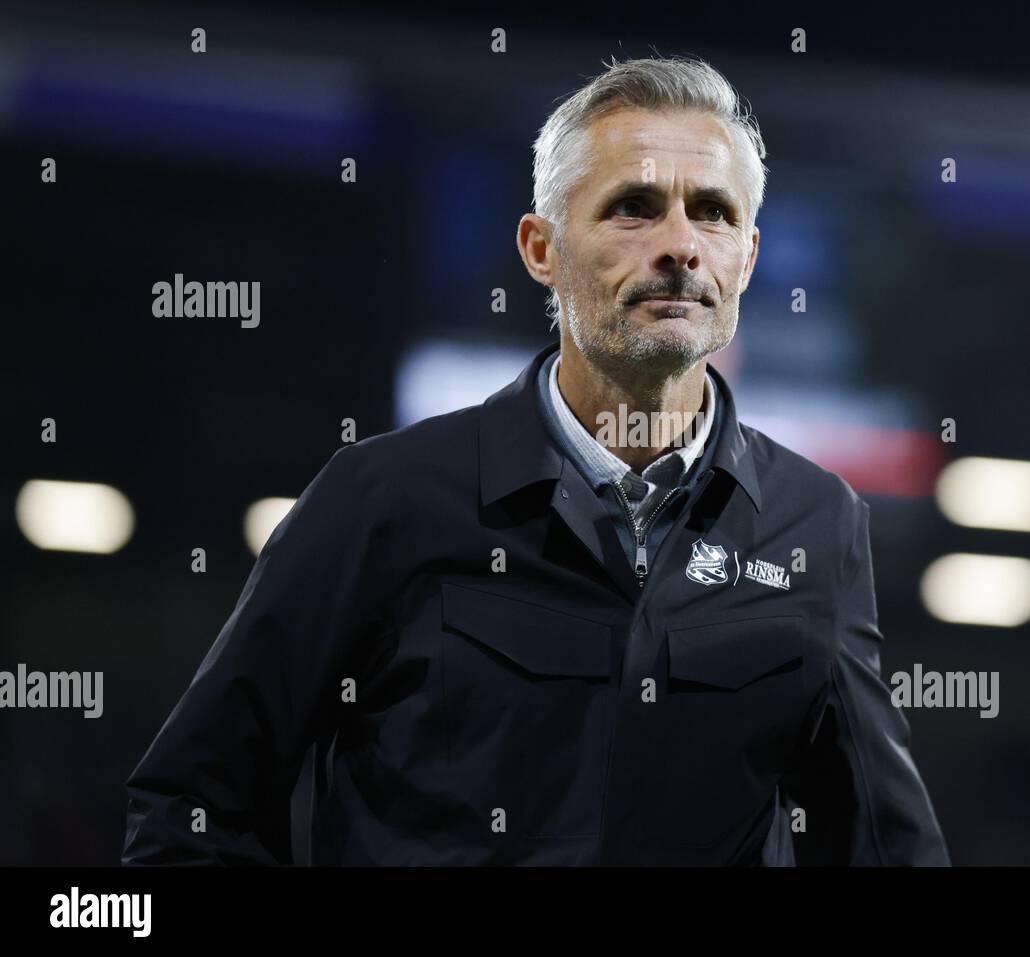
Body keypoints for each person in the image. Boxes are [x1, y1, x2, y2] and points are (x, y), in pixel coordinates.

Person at [122, 54, 949, 866]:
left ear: (750, 258)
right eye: (633, 207)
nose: (681, 245)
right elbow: (191, 809)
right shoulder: (384, 498)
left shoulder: (817, 523)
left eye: (713, 212)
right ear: (540, 248)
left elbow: (885, 843)